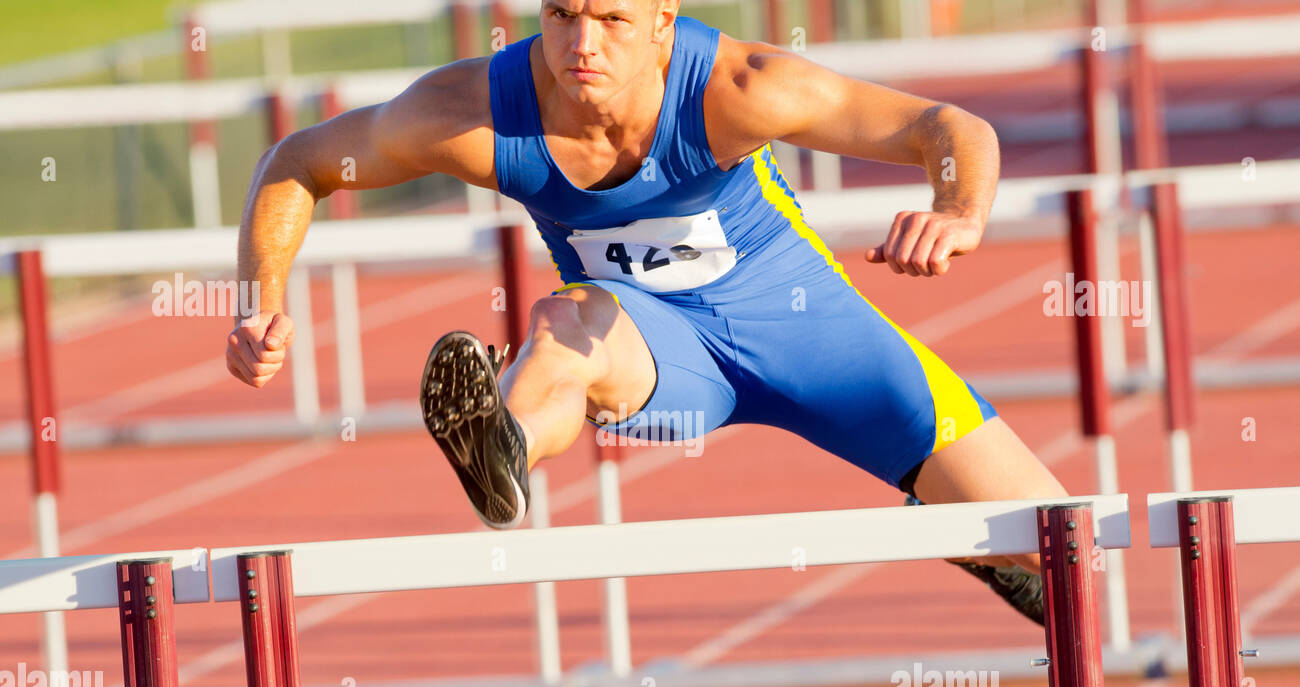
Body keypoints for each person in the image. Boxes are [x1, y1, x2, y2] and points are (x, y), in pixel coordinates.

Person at [227, 0, 1068, 624]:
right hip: (651, 343)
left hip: (804, 328)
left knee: (1066, 552)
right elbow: (299, 161)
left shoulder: (739, 88)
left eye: (612, 20)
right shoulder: (472, 117)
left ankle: (974, 530)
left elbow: (943, 125)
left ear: (665, 22)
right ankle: (504, 448)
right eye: (561, 15)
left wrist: (958, 210)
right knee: (563, 330)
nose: (581, 45)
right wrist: (259, 302)